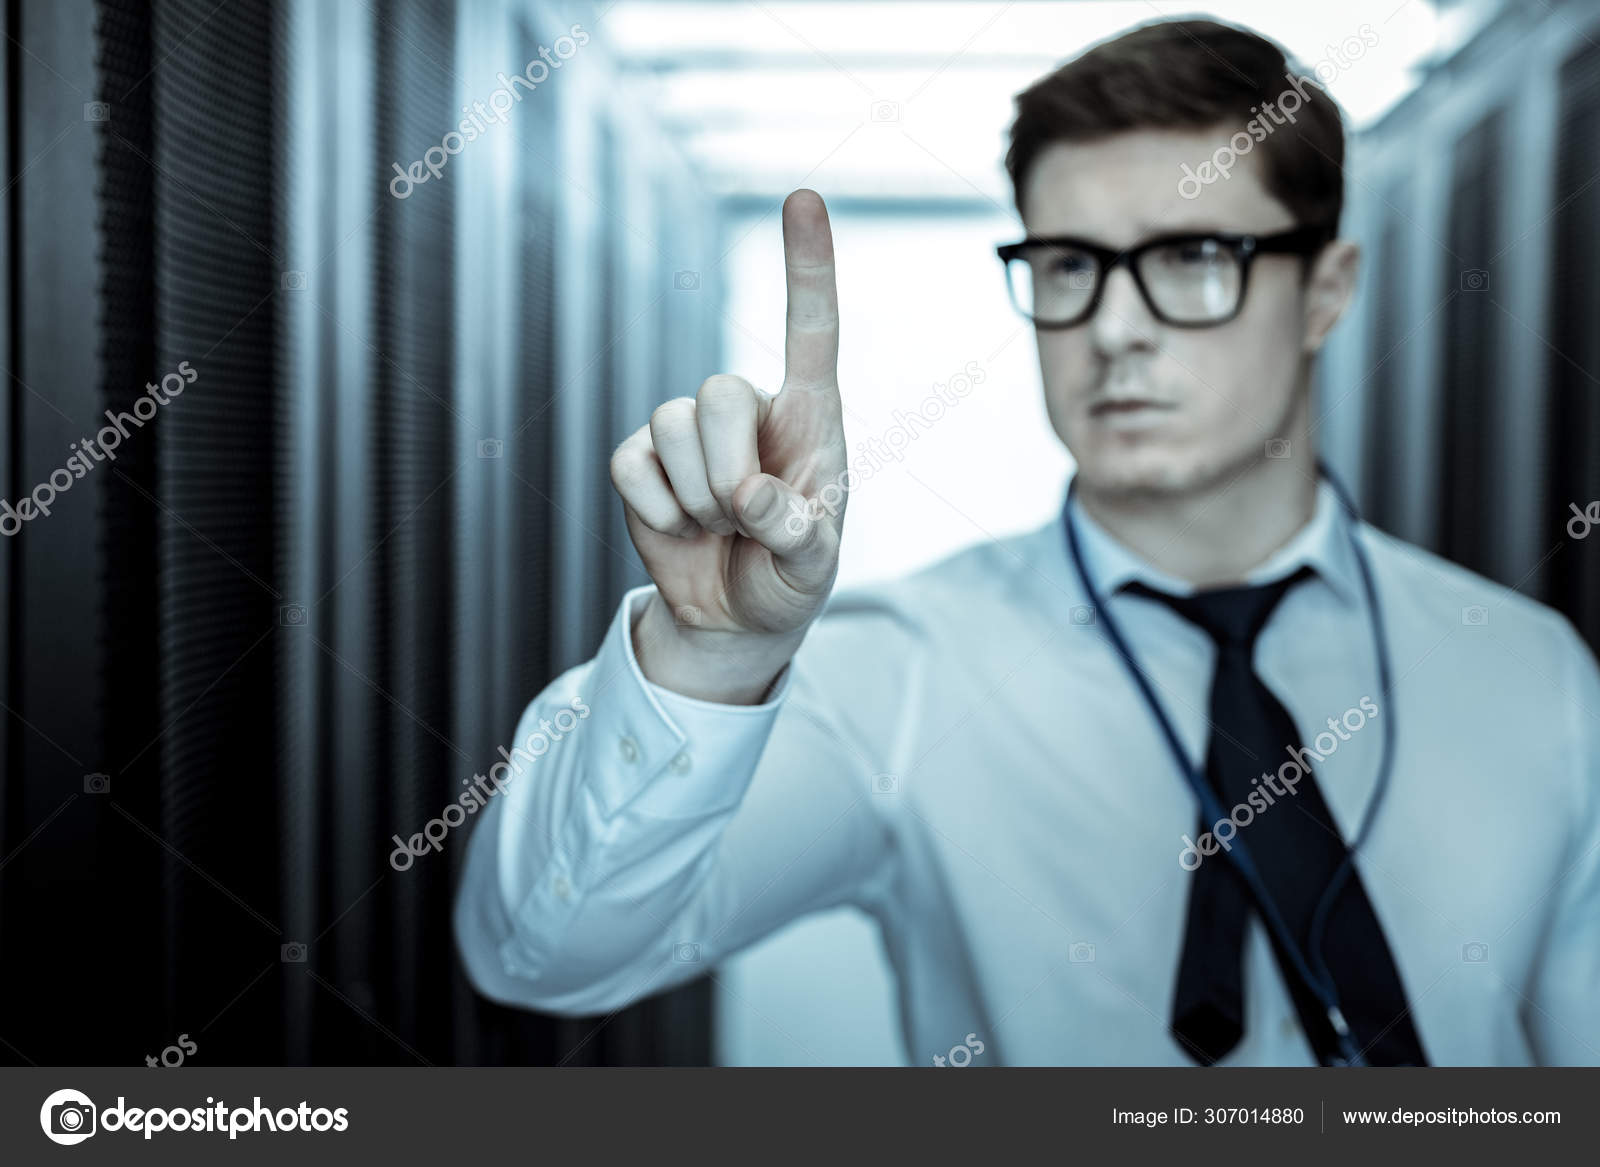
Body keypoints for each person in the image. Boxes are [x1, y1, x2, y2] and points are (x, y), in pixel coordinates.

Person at [453, 18, 1600, 1065]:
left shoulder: (1529, 675)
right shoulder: (904, 669)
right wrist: (706, 659)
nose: (1113, 329)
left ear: (1325, 291)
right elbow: (543, 956)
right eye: (1069, 265)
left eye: (1193, 257)